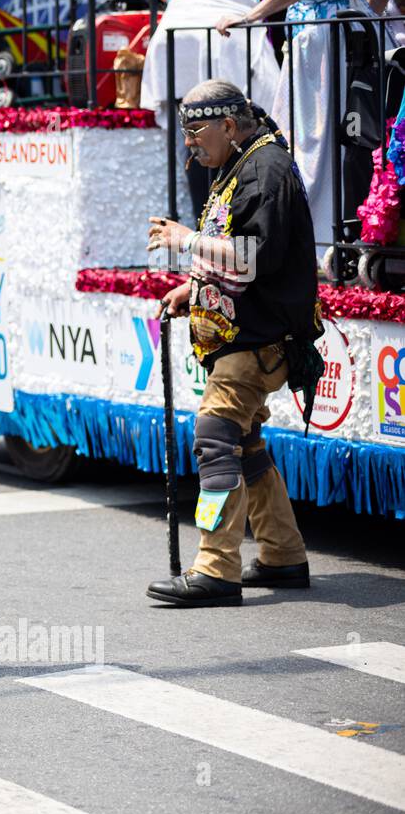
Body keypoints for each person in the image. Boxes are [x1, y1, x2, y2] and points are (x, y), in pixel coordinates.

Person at [146, 80, 320, 608]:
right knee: (243, 447)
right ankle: (282, 555)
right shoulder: (243, 163)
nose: (190, 144)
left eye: (196, 132)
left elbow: (255, 256)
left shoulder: (265, 168)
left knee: (215, 437)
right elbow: (237, 254)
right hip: (247, 335)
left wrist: (185, 242)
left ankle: (217, 569)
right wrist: (190, 286)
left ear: (228, 125)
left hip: (258, 340)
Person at [217, 0, 393, 256]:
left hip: (318, 36)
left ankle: (312, 240)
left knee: (310, 139)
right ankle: (353, 232)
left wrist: (250, 16)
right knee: (355, 135)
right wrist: (359, 17)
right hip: (359, 31)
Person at [142, 0, 283, 217]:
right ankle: (243, 223)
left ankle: (205, 228)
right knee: (259, 125)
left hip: (178, 31)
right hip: (227, 26)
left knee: (196, 134)